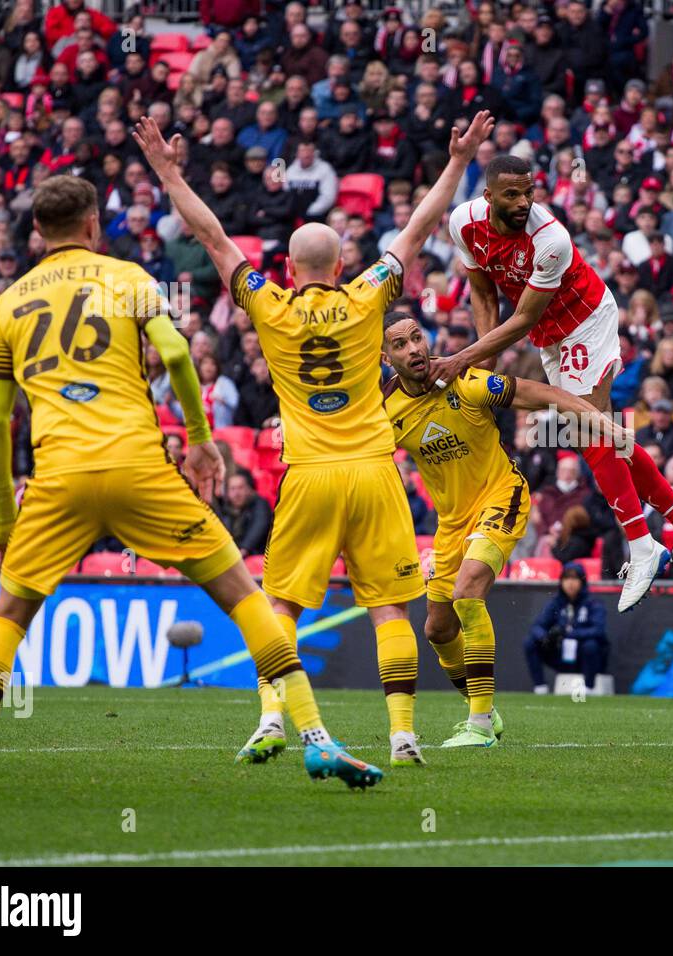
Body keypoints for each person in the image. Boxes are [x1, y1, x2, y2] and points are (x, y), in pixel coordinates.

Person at [0, 176, 379, 791]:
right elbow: (174, 355)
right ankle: (314, 737)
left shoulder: (8, 303)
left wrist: (4, 520)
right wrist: (199, 441)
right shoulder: (128, 278)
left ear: (37, 232)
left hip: (59, 478)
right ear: (94, 224)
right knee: (245, 596)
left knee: (7, 615)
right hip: (140, 468)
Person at [133, 111, 495, 768]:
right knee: (388, 610)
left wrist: (166, 172)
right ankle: (403, 735)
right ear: (341, 262)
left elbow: (212, 235)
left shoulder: (266, 302)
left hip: (307, 473)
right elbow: (418, 228)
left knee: (281, 605)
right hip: (373, 471)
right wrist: (458, 160)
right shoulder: (368, 298)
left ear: (292, 266)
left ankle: (273, 717)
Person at [426, 154, 673, 613]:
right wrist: (483, 361)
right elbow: (483, 291)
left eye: (529, 191)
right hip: (551, 338)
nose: (524, 201)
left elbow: (522, 318)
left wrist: (462, 359)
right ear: (488, 198)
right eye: (512, 194)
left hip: (585, 321)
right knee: (599, 433)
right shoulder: (464, 223)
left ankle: (643, 545)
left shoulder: (550, 238)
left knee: (589, 433)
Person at [381, 311, 628, 747]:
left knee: (467, 594)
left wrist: (602, 419)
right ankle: (485, 711)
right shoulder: (386, 410)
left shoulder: (468, 381)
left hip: (502, 498)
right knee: (438, 630)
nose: (414, 349)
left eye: (417, 337)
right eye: (400, 345)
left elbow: (543, 394)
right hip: (450, 523)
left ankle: (478, 726)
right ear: (386, 357)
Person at [524, 562, 608, 694]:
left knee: (590, 645)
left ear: (582, 581)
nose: (570, 583)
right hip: (561, 654)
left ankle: (588, 688)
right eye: (566, 578)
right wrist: (546, 636)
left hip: (584, 656)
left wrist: (569, 633)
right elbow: (537, 626)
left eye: (575, 578)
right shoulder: (556, 602)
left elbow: (598, 630)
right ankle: (540, 687)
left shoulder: (593, 603)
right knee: (530, 643)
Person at [219, 470, 273, 559]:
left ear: (249, 489)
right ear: (227, 493)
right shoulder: (225, 510)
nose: (236, 493)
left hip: (258, 556)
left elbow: (259, 526)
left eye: (240, 488)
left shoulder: (260, 504)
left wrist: (244, 549)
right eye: (232, 489)